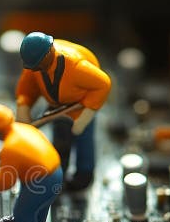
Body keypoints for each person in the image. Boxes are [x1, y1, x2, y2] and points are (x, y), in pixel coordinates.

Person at [15, 32, 111, 190]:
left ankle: (83, 177)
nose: (35, 70)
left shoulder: (76, 66)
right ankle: (59, 177)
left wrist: (86, 116)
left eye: (37, 65)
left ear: (49, 53)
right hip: (57, 109)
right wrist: (23, 105)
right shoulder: (35, 66)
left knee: (83, 142)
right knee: (60, 143)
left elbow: (103, 84)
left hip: (80, 108)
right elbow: (27, 86)